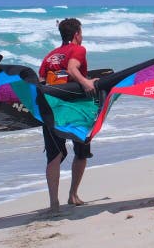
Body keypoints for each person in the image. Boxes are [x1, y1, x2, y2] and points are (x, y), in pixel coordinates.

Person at [39, 18, 97, 213]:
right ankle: (73, 194)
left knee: (53, 156)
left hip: (51, 109)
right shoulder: (78, 49)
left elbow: (41, 83)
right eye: (81, 32)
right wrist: (87, 82)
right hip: (76, 108)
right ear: (76, 35)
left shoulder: (49, 56)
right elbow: (72, 70)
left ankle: (54, 204)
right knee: (81, 151)